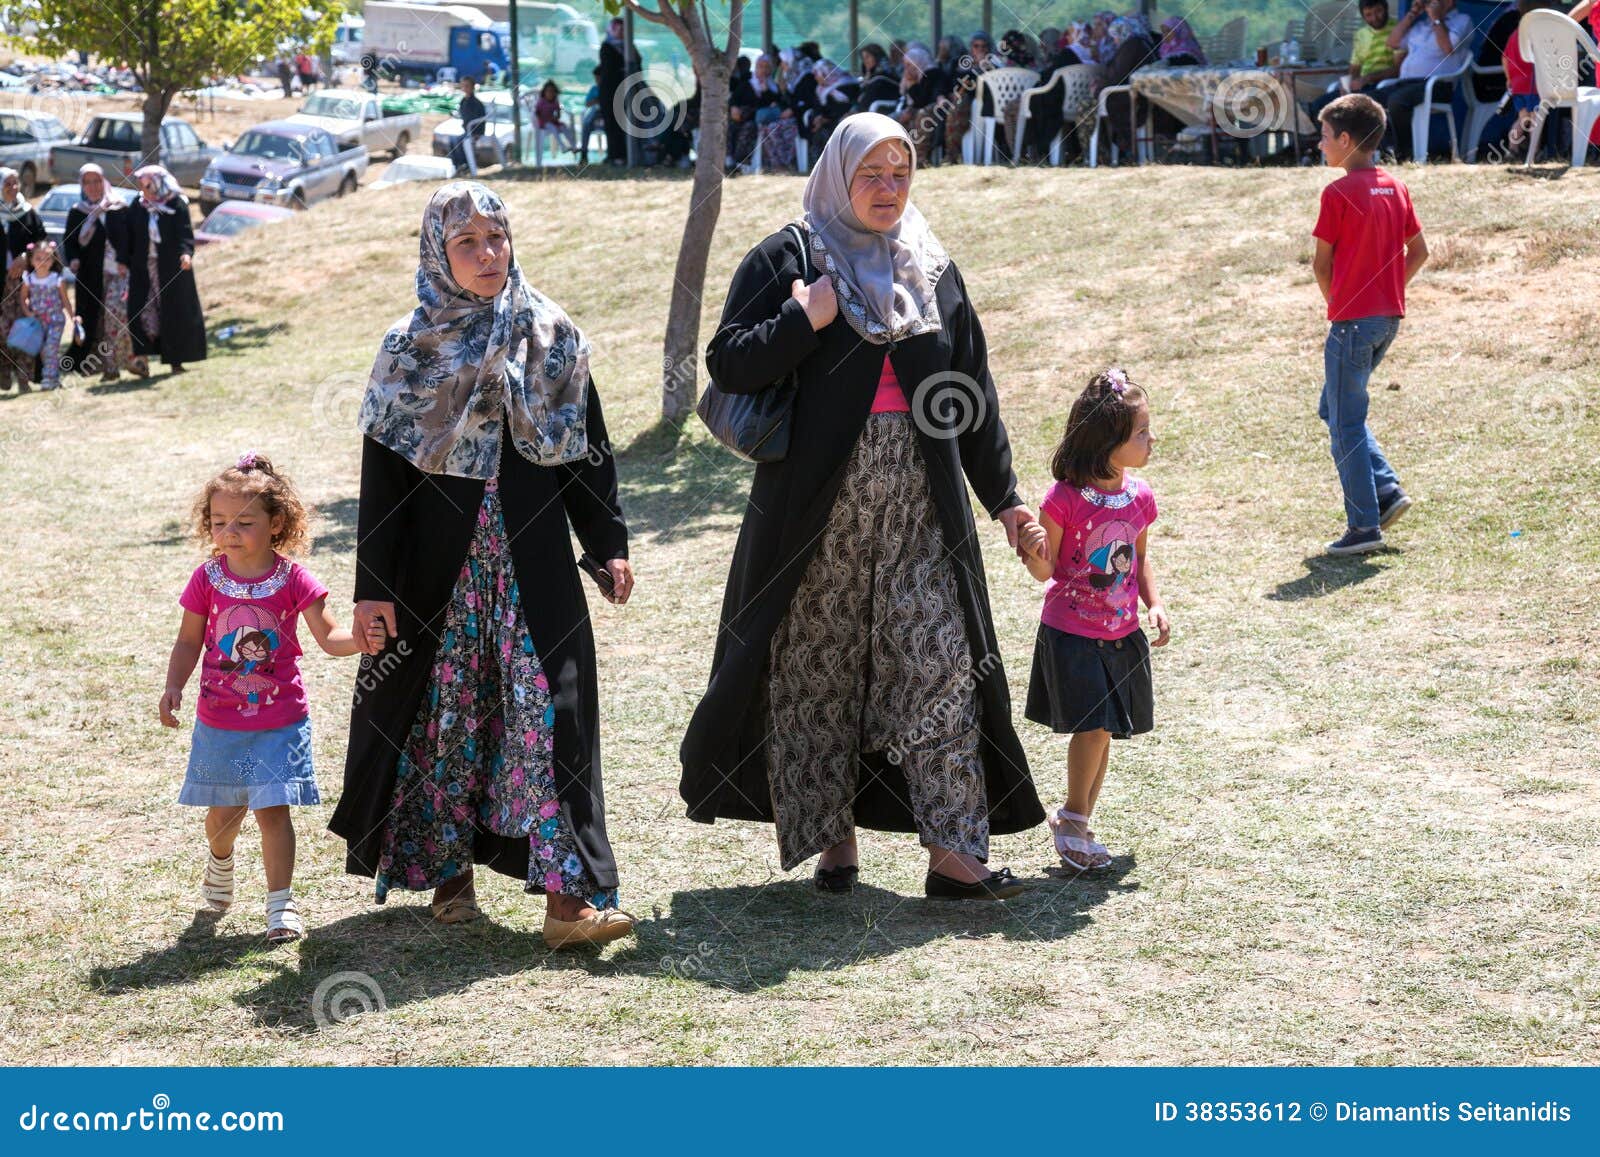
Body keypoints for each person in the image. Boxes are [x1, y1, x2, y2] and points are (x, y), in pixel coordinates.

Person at [680, 113, 1046, 901]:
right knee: (821, 667)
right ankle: (831, 841)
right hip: (814, 512)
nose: (887, 189)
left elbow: (970, 392)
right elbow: (728, 362)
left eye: (900, 173)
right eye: (870, 174)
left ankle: (955, 854)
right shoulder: (791, 253)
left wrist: (1007, 500)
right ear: (839, 174)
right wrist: (803, 317)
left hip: (922, 506)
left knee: (943, 660)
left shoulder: (931, 264)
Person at [330, 183, 637, 950]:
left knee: (552, 711)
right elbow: (385, 483)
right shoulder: (409, 349)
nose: (487, 253)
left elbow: (587, 449)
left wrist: (607, 541)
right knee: (445, 717)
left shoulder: (552, 334)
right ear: (438, 251)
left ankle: (570, 902)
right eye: (466, 241)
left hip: (534, 566)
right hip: (442, 574)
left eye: (496, 237)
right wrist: (374, 590)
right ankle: (448, 875)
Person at [159, 453, 365, 944]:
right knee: (223, 816)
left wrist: (361, 640)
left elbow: (330, 637)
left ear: (277, 524)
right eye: (219, 521)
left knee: (273, 811)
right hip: (219, 719)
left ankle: (280, 905)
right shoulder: (206, 579)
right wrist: (174, 685)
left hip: (280, 719)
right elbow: (188, 641)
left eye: (244, 522)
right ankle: (221, 861)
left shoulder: (295, 580)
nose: (230, 531)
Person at [1020, 369, 1167, 871]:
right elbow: (1047, 570)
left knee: (1104, 734)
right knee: (1093, 730)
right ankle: (1072, 822)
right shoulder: (1063, 500)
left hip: (1122, 634)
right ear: (1108, 442)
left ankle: (1077, 823)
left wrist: (1154, 603)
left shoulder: (1140, 497)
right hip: (1073, 634)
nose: (1152, 439)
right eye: (1142, 432)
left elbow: (1140, 557)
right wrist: (1031, 548)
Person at [1311, 94, 1429, 555]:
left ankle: (1364, 527)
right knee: (1336, 410)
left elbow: (1321, 265)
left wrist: (1341, 304)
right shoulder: (1396, 188)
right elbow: (1419, 253)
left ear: (1345, 139)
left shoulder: (1336, 193)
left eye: (1324, 137)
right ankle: (1386, 491)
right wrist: (1385, 293)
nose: (1320, 145)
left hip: (1353, 324)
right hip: (1386, 321)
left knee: (1345, 423)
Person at [118, 165, 206, 374]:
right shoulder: (138, 206)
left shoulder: (176, 204)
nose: (144, 190)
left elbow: (185, 234)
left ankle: (176, 361)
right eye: (142, 185)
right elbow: (128, 236)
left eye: (148, 185)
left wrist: (186, 254)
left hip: (170, 269)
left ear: (158, 183)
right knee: (142, 312)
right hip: (143, 270)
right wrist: (123, 260)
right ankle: (141, 360)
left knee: (173, 313)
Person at [64, 162, 145, 382]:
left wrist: (123, 260)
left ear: (104, 181)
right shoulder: (78, 212)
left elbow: (130, 239)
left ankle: (126, 361)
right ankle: (102, 366)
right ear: (82, 185)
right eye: (87, 182)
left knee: (116, 317)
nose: (93, 186)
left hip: (117, 274)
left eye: (97, 181)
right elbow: (69, 242)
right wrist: (72, 259)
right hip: (90, 275)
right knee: (94, 320)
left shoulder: (118, 207)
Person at [1371, 0, 1472, 161]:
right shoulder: (1421, 24)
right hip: (1407, 83)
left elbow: (1448, 47)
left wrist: (1437, 19)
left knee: (1397, 100)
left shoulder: (1462, 20)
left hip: (1437, 85)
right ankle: (1387, 152)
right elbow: (1392, 42)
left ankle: (1404, 156)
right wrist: (1412, 14)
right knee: (1372, 101)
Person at [0, 166, 45, 392]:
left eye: (15, 183)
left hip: (26, 283)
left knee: (25, 328)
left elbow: (43, 243)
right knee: (3, 330)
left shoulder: (28, 213)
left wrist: (26, 257)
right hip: (2, 284)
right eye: (7, 184)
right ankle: (4, 372)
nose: (13, 188)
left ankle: (25, 378)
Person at [19, 241, 74, 391]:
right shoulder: (29, 279)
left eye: (47, 258)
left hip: (55, 320)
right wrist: (28, 313)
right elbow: (23, 299)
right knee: (44, 351)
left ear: (53, 260)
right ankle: (54, 378)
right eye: (38, 258)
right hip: (38, 322)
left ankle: (47, 380)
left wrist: (73, 317)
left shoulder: (57, 279)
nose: (43, 262)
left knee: (51, 347)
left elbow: (65, 301)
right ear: (31, 260)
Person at [894, 41, 945, 167]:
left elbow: (922, 100)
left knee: (918, 117)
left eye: (910, 65)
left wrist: (911, 84)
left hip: (934, 112)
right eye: (905, 66)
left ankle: (920, 159)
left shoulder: (932, 73)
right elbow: (909, 99)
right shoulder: (918, 76)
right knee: (893, 120)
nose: (907, 70)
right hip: (920, 109)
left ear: (918, 63)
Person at [751, 53, 798, 171]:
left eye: (767, 67)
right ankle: (776, 164)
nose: (764, 70)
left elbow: (782, 102)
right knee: (768, 129)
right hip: (760, 119)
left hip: (780, 118)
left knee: (775, 128)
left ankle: (784, 163)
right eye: (760, 66)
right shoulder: (749, 83)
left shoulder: (775, 84)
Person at [453, 74, 488, 175]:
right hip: (467, 132)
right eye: (463, 85)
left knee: (459, 141)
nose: (464, 88)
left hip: (475, 133)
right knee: (453, 140)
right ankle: (458, 166)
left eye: (467, 86)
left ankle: (466, 165)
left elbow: (480, 120)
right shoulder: (463, 101)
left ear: (472, 87)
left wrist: (477, 133)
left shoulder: (477, 103)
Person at [853, 42, 900, 112]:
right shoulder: (870, 75)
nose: (865, 61)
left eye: (867, 57)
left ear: (876, 56)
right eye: (863, 58)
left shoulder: (884, 74)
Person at [535, 80, 577, 155]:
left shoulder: (555, 102)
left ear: (555, 93)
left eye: (552, 91)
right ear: (544, 92)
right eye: (548, 91)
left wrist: (555, 117)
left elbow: (558, 114)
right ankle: (562, 147)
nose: (550, 93)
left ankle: (574, 146)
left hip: (553, 122)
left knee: (564, 127)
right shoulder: (541, 102)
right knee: (553, 128)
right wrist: (543, 120)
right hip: (543, 123)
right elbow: (537, 113)